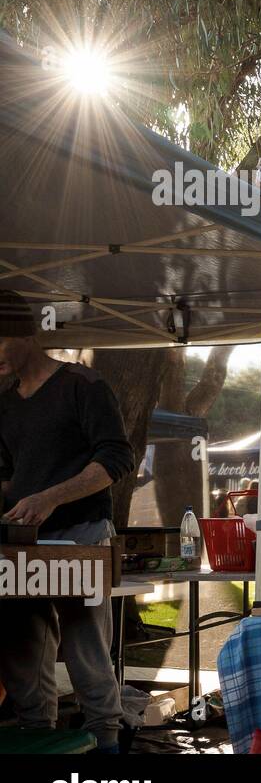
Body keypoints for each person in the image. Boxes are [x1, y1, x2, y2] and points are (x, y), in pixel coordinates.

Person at [0, 290, 135, 752]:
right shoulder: (4, 402)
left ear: (26, 333)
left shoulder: (83, 385)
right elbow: (8, 474)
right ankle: (40, 744)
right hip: (22, 546)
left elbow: (117, 457)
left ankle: (108, 750)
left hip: (83, 537)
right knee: (23, 654)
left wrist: (52, 498)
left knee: (86, 652)